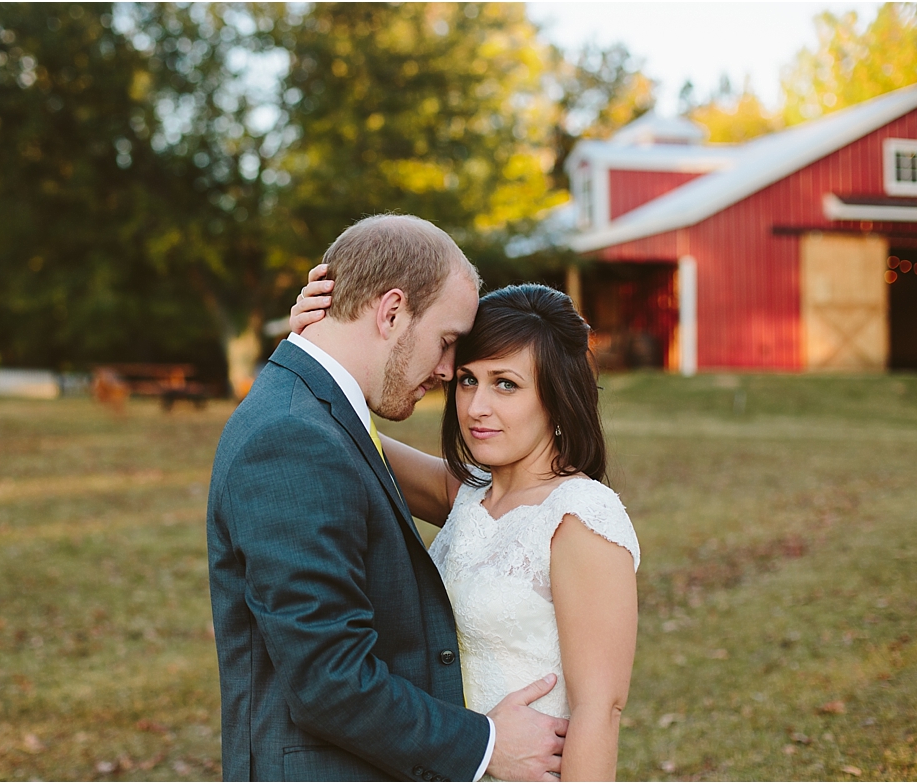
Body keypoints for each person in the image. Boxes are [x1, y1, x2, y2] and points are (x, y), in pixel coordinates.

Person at [207, 214, 569, 782]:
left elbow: (467, 497)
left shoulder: (315, 415)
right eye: (447, 343)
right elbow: (329, 679)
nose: (449, 372)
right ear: (392, 311)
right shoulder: (292, 438)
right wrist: (487, 745)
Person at [292, 273, 640, 781]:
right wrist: (312, 350)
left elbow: (599, 710)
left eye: (506, 384)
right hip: (457, 763)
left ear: (557, 397)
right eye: (467, 380)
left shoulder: (581, 516)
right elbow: (346, 435)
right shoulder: (469, 493)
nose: (476, 408)